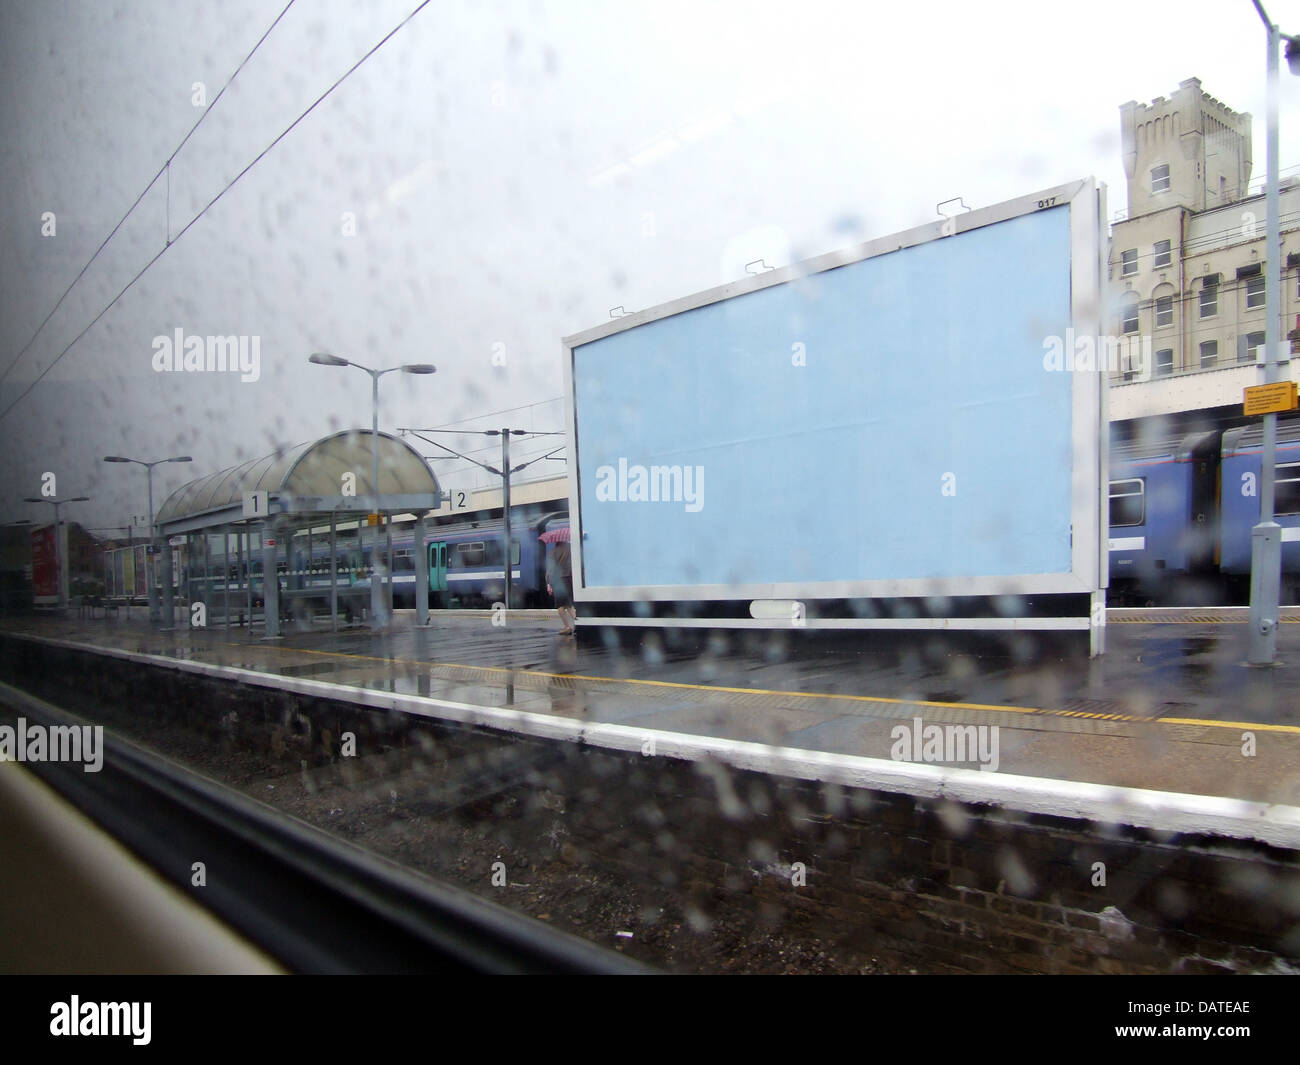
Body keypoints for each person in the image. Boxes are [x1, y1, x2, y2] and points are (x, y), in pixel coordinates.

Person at [546, 541, 575, 635]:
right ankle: (579, 624)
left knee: (560, 605)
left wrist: (548, 583)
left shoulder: (553, 552)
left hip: (558, 580)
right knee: (569, 604)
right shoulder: (571, 550)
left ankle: (567, 627)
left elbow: (550, 569)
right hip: (570, 579)